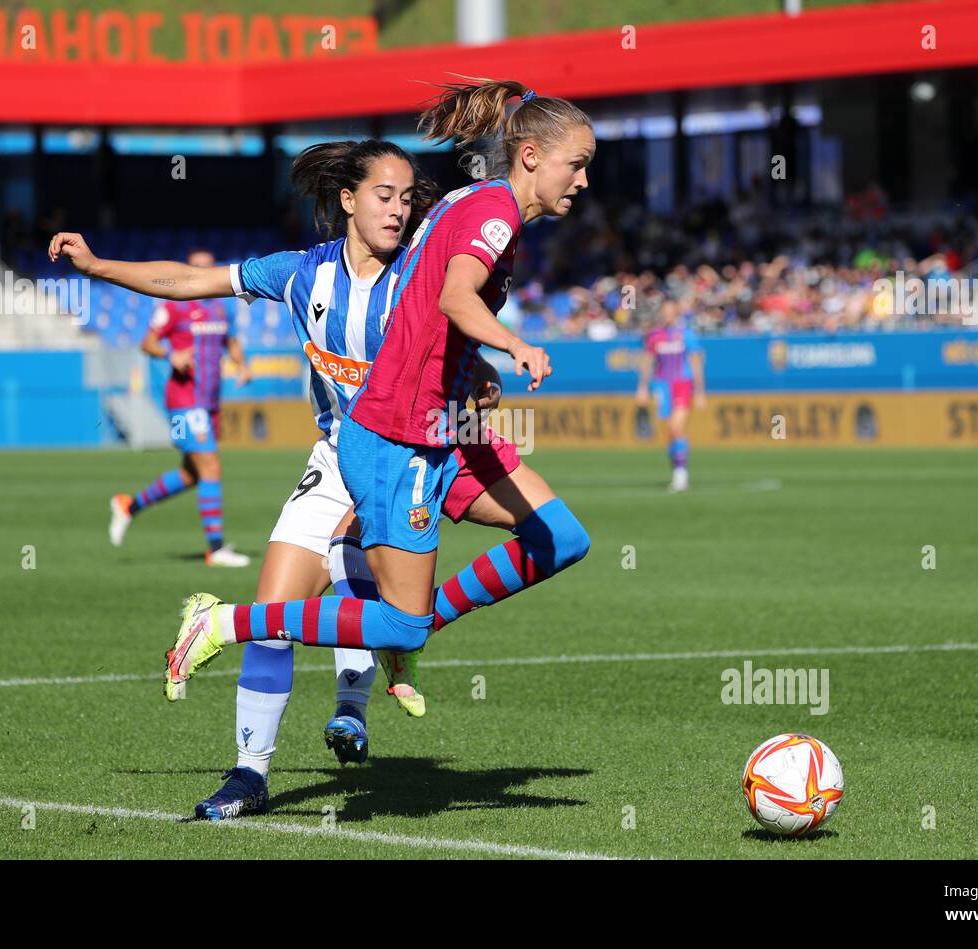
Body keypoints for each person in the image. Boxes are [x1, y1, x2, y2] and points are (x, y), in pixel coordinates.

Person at [50, 138, 511, 821]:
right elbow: (185, 280)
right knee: (273, 616)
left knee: (384, 591)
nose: (397, 209)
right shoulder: (301, 274)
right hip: (333, 460)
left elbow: (459, 338)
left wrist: (479, 377)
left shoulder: (422, 273)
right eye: (382, 195)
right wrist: (95, 266)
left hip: (404, 461)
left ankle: (354, 704)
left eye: (407, 197)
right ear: (348, 200)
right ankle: (250, 774)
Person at [162, 79, 594, 705]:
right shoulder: (493, 214)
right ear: (531, 156)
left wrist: (472, 366)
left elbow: (423, 302)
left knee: (562, 539)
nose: (582, 181)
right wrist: (513, 344)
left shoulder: (477, 202)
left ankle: (407, 635)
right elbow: (452, 297)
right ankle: (225, 622)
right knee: (399, 618)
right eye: (576, 165)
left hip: (447, 426)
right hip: (401, 430)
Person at [107, 249, 252, 566]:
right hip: (184, 402)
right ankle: (215, 549)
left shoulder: (219, 309)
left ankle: (128, 506)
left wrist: (242, 365)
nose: (202, 271)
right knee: (210, 465)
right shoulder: (174, 307)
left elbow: (231, 342)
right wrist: (170, 355)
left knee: (191, 474)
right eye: (196, 267)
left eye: (207, 266)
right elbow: (147, 343)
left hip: (210, 401)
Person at [636, 298, 706, 491]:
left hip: (682, 384)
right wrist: (642, 388)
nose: (666, 314)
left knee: (677, 427)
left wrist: (700, 392)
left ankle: (682, 476)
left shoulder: (686, 334)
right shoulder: (654, 336)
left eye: (670, 311)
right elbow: (648, 362)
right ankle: (677, 472)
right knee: (670, 432)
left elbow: (696, 362)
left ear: (676, 313)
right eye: (664, 311)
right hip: (661, 386)